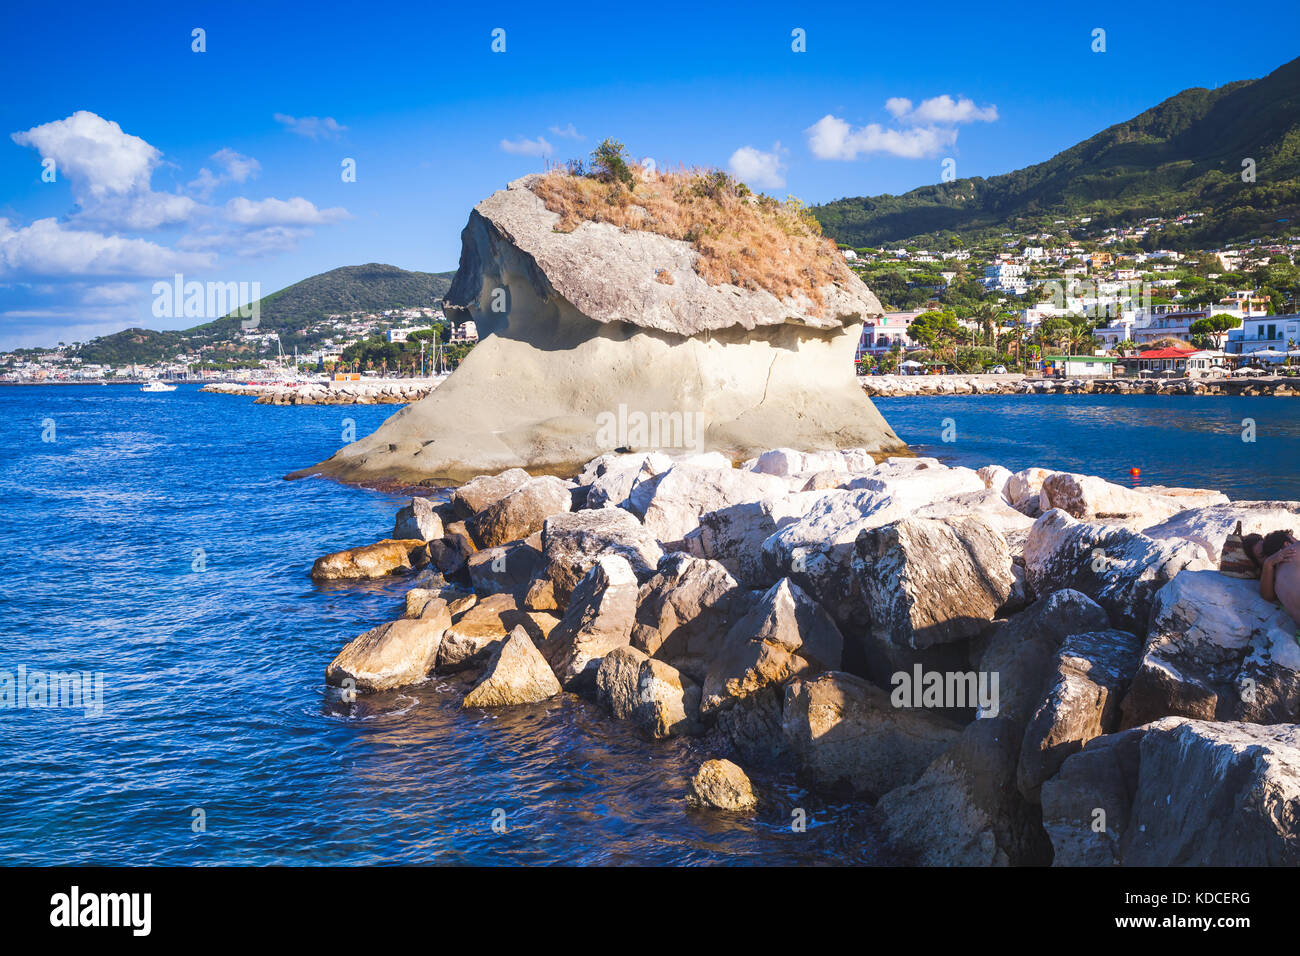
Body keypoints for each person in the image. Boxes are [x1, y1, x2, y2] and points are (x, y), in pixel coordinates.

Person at [1245, 530, 1300, 628]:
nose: (1272, 555)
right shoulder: (1272, 574)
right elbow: (1267, 595)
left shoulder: (1289, 559)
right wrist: (1269, 563)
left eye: (1268, 549)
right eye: (1263, 555)